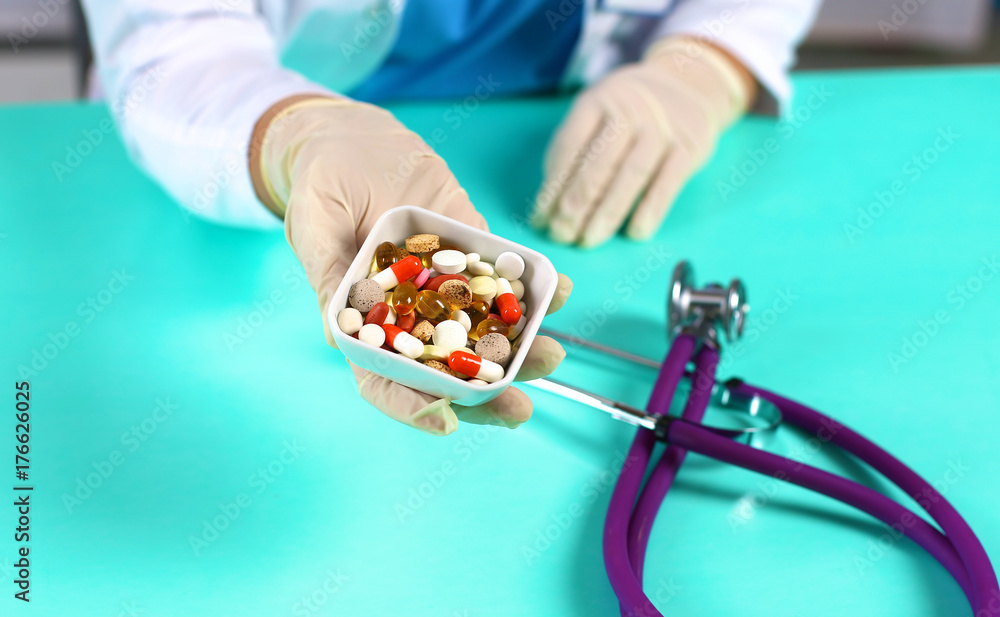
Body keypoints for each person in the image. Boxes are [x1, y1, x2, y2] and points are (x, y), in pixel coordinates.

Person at [81, 0, 820, 435]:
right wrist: (296, 135)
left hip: (574, 91)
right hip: (262, 102)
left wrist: (707, 60)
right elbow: (172, 52)